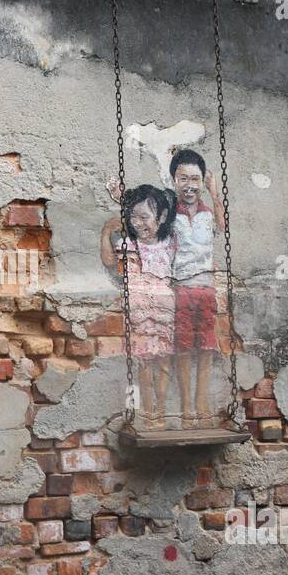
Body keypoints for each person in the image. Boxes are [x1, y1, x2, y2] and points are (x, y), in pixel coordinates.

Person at [102, 184, 177, 430]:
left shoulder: (169, 242)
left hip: (164, 313)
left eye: (144, 217)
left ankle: (162, 411)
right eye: (133, 217)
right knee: (144, 363)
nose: (138, 223)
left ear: (162, 217)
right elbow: (109, 262)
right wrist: (106, 233)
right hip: (139, 313)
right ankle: (146, 411)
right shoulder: (128, 244)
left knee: (163, 362)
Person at [168, 148, 226, 427]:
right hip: (180, 289)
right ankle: (186, 407)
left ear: (203, 181)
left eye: (195, 179)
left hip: (205, 289)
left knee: (204, 348)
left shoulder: (207, 213)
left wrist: (215, 193)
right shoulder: (168, 214)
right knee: (182, 349)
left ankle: (202, 403)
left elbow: (223, 224)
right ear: (173, 181)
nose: (190, 185)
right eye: (183, 179)